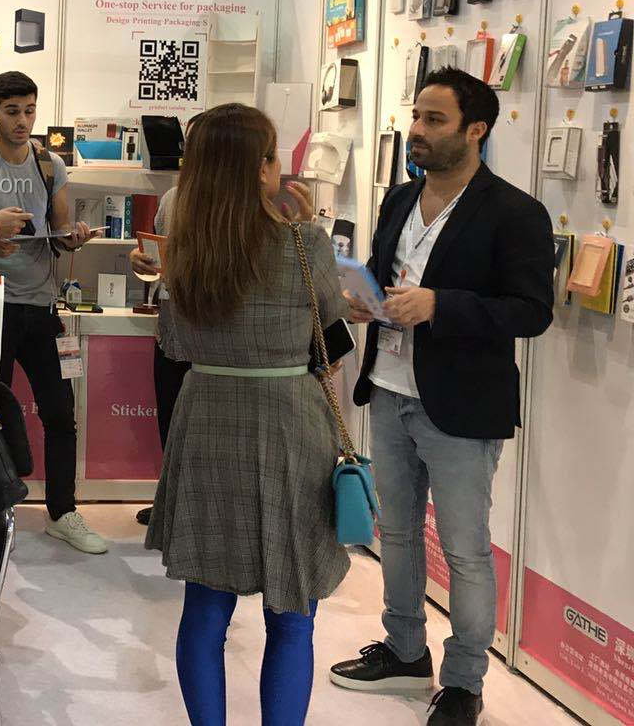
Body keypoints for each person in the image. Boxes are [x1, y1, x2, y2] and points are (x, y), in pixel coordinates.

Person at [330, 68, 554, 726]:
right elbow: (384, 276)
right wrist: (366, 302)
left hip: (462, 407)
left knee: (464, 550)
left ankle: (463, 682)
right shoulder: (400, 199)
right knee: (397, 535)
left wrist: (440, 306)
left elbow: (531, 311)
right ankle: (404, 650)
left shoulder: (516, 212)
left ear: (475, 130)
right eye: (416, 116)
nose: (417, 131)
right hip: (390, 390)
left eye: (435, 120)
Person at [146, 102, 349, 726]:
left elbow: (173, 344)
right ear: (260, 168)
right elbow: (330, 335)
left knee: (204, 610)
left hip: (206, 419)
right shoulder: (305, 242)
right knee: (292, 614)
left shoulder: (185, 251)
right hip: (292, 423)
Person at [0, 71, 103, 554]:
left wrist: (74, 236)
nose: (22, 120)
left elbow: (60, 230)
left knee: (60, 412)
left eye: (30, 110)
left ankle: (63, 511)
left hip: (41, 305)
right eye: (12, 111)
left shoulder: (50, 164)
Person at [129, 182, 192, 527]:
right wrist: (139, 259)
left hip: (213, 338)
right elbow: (155, 255)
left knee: (205, 429)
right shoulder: (172, 198)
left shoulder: (236, 198)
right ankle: (171, 502)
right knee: (169, 421)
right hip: (171, 330)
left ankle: (195, 509)